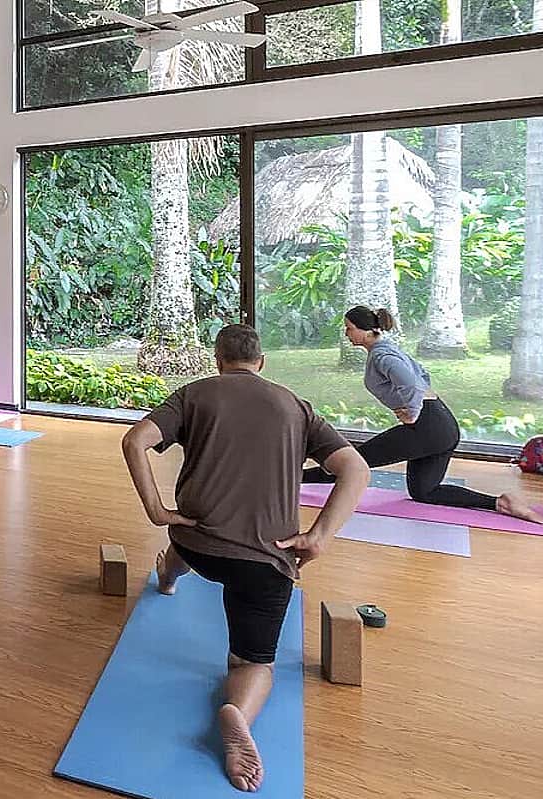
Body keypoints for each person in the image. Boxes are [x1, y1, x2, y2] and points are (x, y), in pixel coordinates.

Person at [121, 324, 369, 793]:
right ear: (262, 362)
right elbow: (355, 468)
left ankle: (168, 579)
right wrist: (319, 537)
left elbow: (135, 440)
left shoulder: (194, 393)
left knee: (182, 539)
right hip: (266, 560)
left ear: (218, 359)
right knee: (250, 663)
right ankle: (235, 713)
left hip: (198, 543)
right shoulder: (295, 405)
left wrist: (157, 510)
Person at [301, 306, 543, 524]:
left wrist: (412, 413)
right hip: (441, 424)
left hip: (427, 426)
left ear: (366, 331)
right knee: (424, 491)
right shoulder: (387, 350)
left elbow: (412, 385)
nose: (346, 333)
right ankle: (501, 503)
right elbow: (423, 376)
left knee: (351, 465)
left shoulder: (383, 355)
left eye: (349, 328)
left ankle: (287, 481)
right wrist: (412, 408)